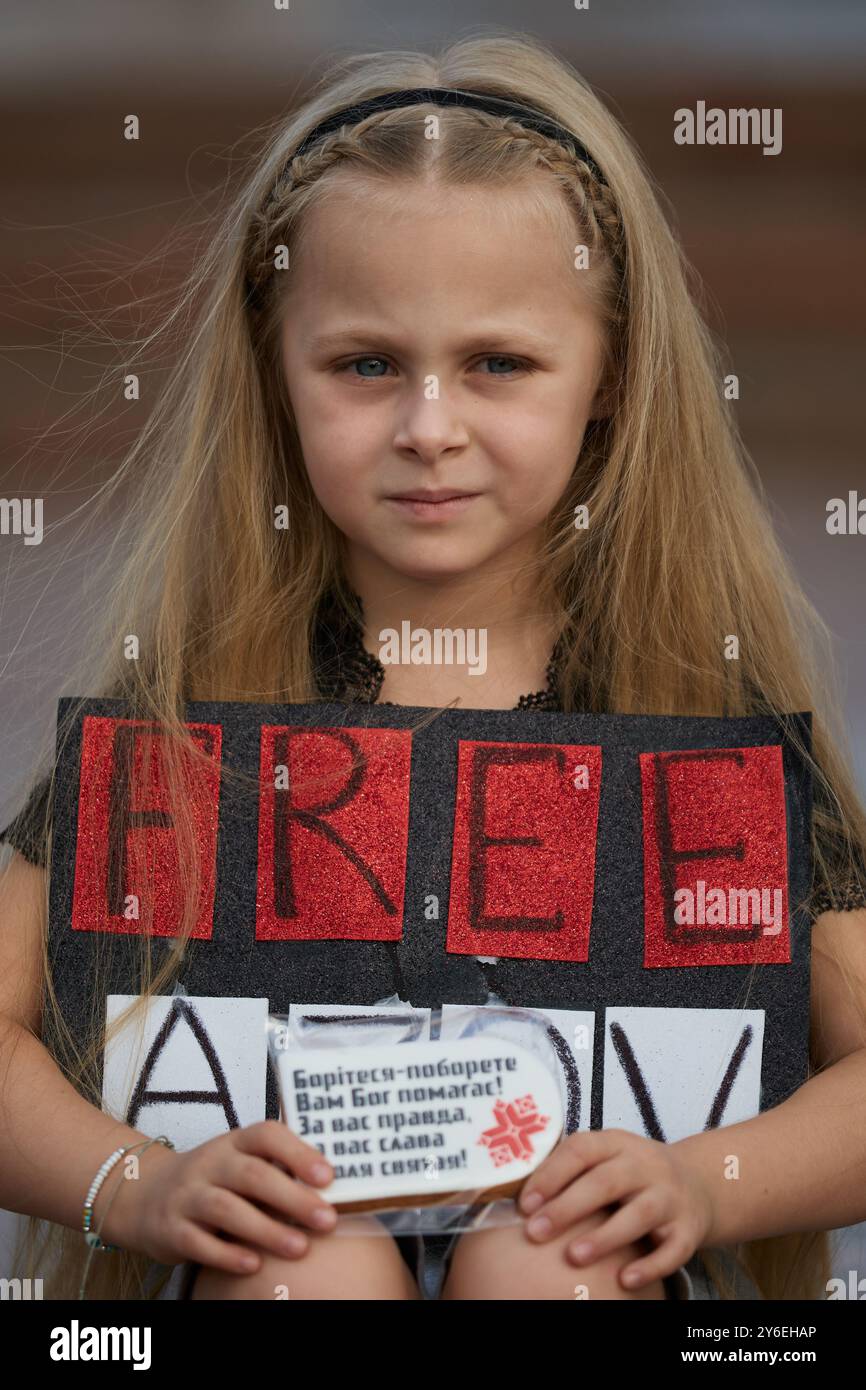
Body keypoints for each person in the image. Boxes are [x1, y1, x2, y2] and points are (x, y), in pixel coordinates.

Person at [2, 32, 866, 1302]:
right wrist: (136, 1183)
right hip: (240, 1281)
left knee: (545, 1257)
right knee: (301, 1263)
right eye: (364, 364)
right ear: (271, 368)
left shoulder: (700, 728)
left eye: (497, 364)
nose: (427, 427)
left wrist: (699, 1181)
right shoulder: (178, 727)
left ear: (611, 373)